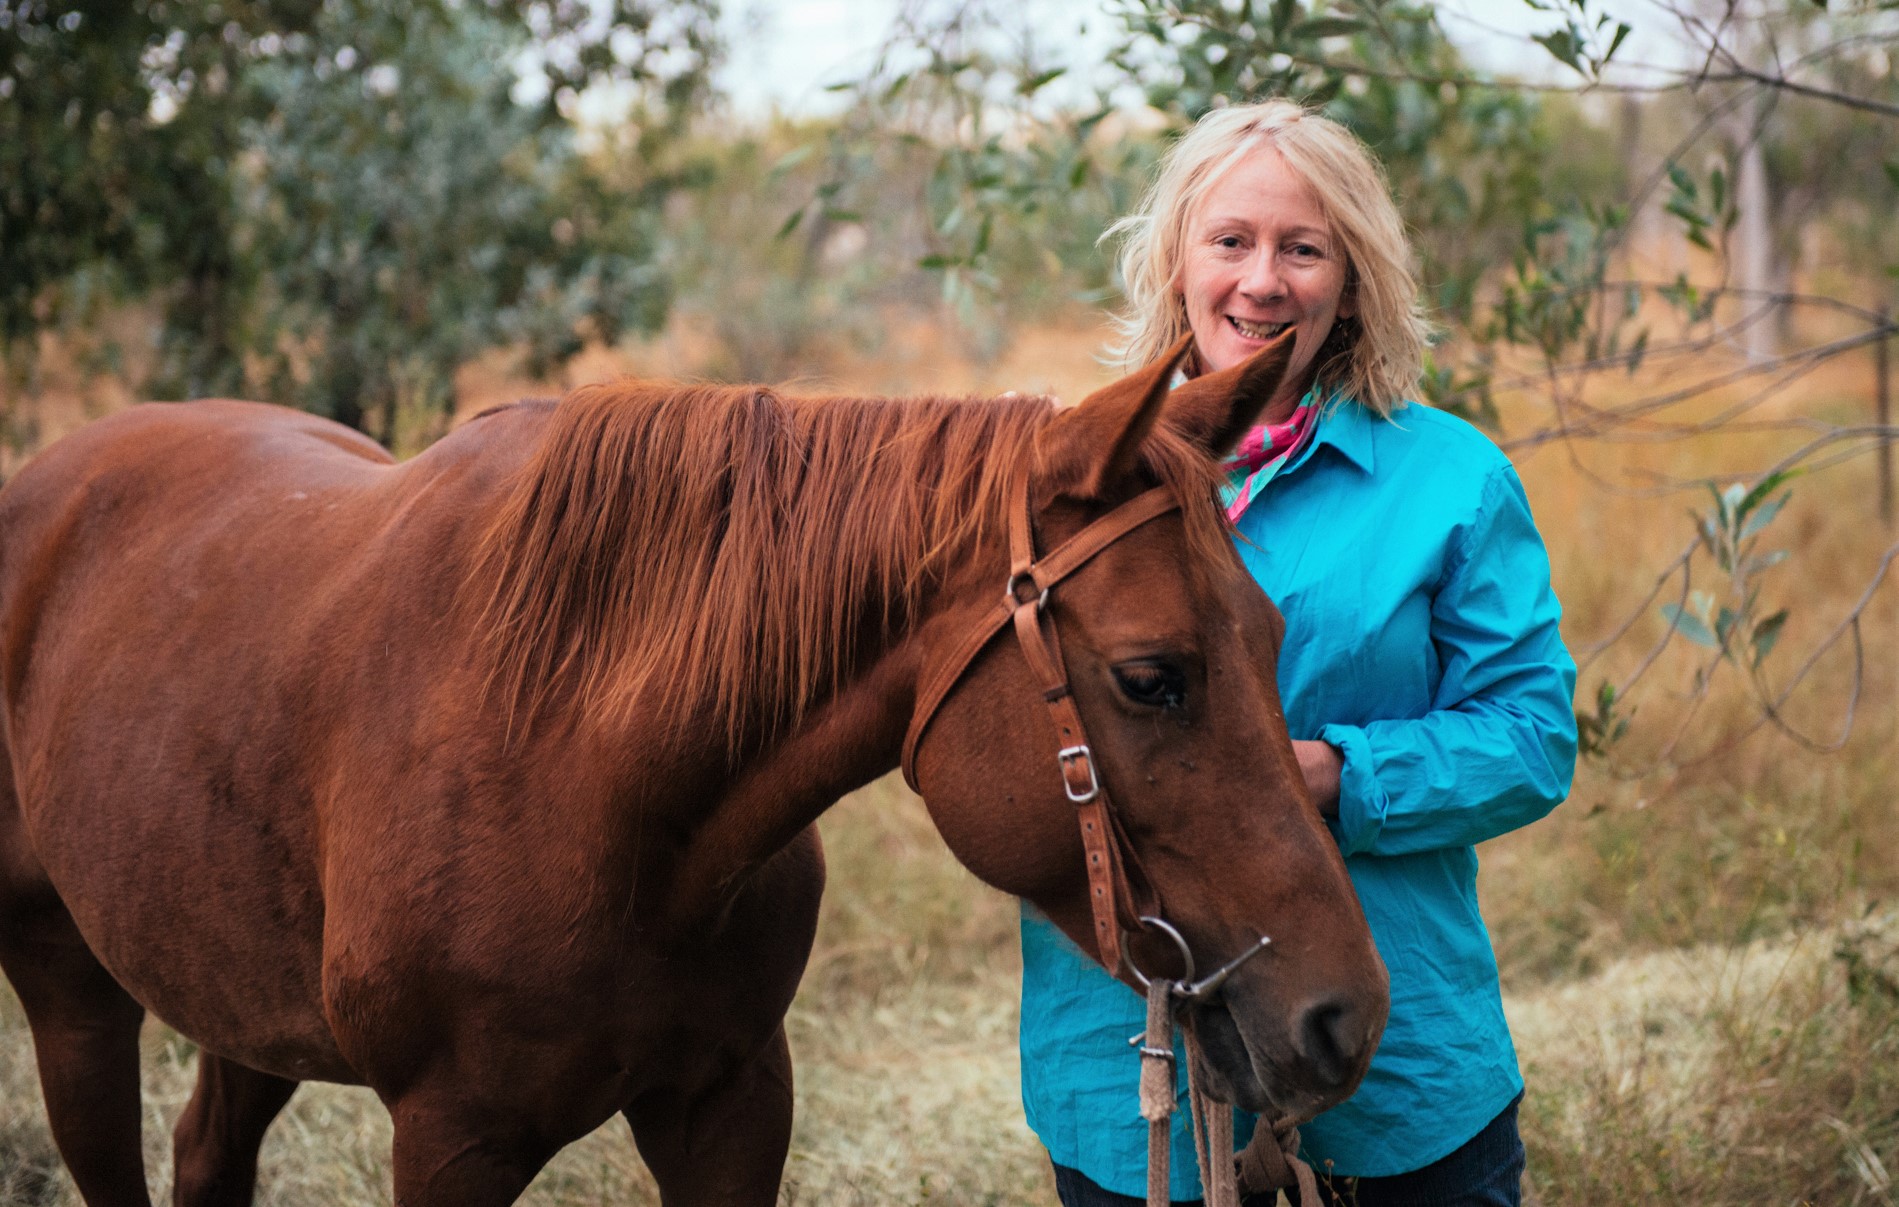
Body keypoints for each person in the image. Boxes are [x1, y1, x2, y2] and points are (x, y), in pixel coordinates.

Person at [1018, 100, 1579, 1207]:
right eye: (1230, 241)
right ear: (1177, 260)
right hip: (1131, 1069)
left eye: (1302, 247)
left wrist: (1335, 774)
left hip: (1393, 1056)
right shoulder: (1068, 475)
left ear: (1353, 277)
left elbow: (1532, 736)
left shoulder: (1451, 480)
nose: (1262, 280)